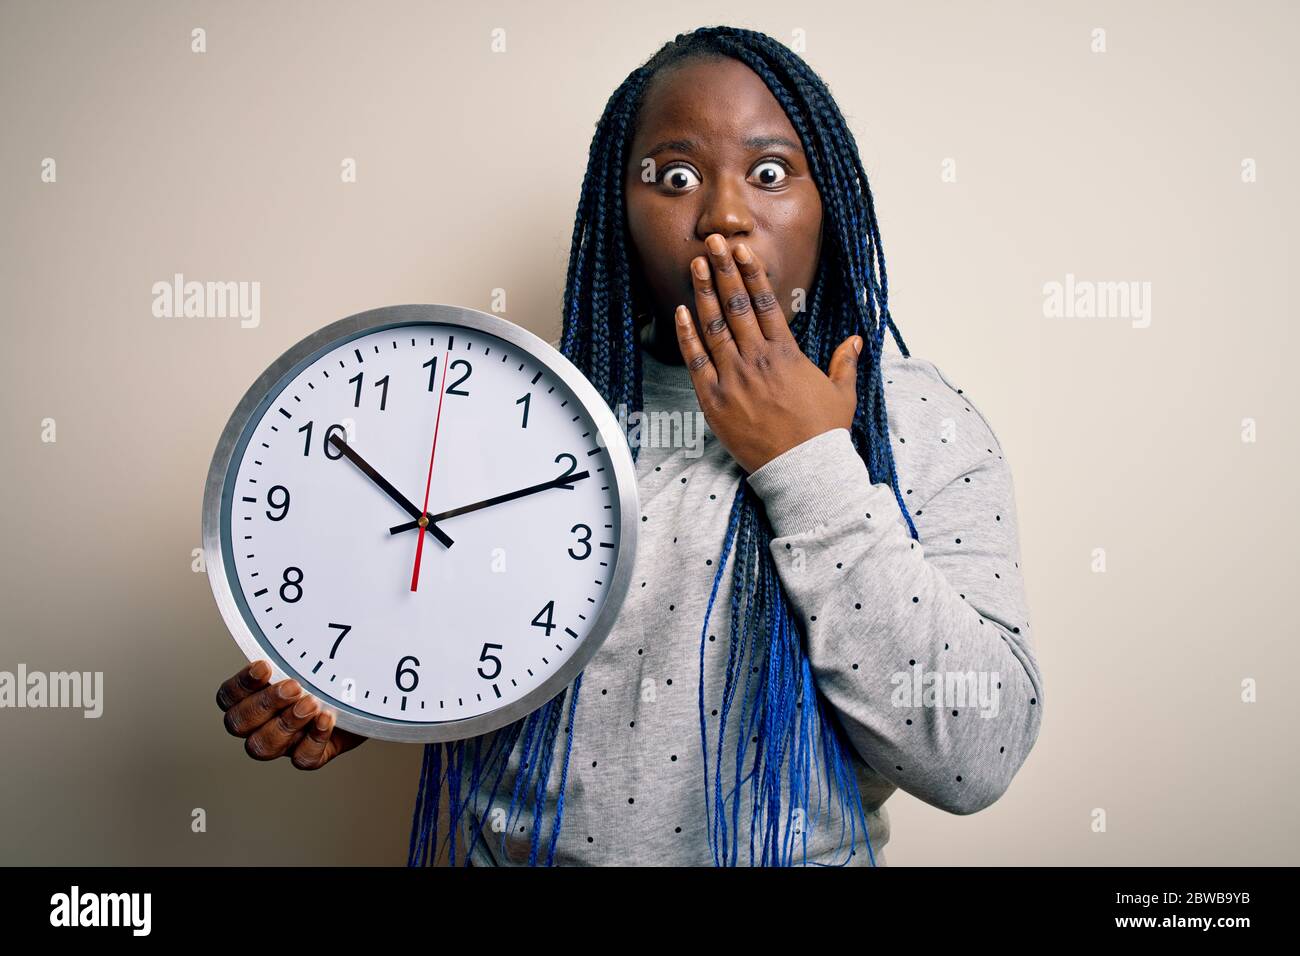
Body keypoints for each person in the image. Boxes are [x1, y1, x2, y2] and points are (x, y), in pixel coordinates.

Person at [215, 25, 1044, 867]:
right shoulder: (519, 413)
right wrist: (374, 696)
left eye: (770, 173)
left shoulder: (912, 423)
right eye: (675, 177)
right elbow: (469, 636)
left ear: (829, 201)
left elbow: (979, 757)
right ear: (620, 208)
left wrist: (804, 462)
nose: (723, 215)